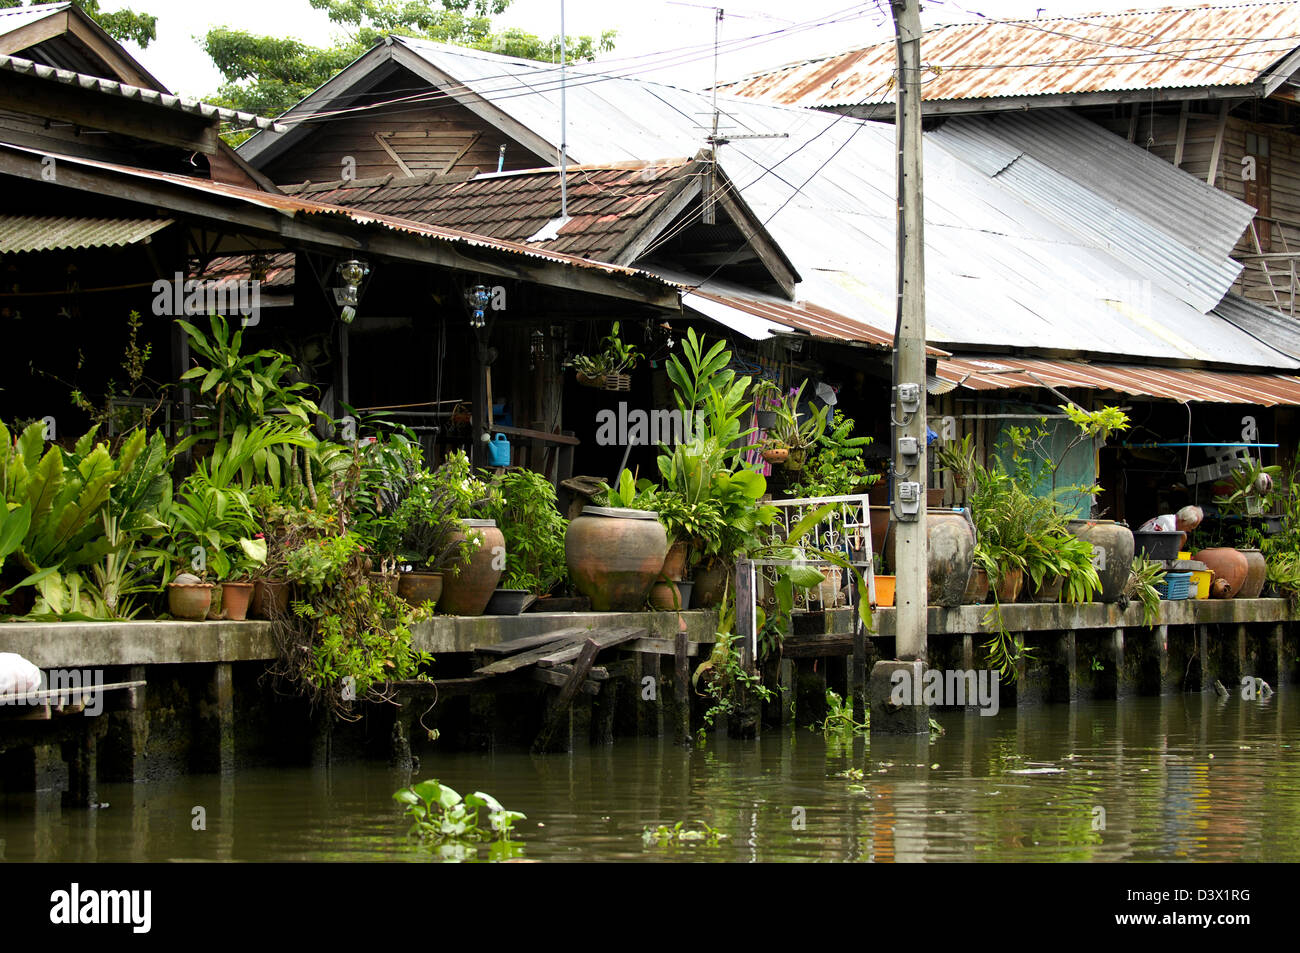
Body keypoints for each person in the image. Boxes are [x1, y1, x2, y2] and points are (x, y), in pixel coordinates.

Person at [1138, 505, 1203, 533]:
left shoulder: (1169, 519)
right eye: (1190, 527)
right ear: (1183, 520)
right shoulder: (1168, 525)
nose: (1189, 531)